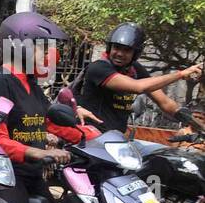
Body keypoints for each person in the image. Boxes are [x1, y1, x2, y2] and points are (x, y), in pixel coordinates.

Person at [0, 12, 99, 203]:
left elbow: (52, 121)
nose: (49, 55)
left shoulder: (30, 85)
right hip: (8, 179)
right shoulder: (0, 82)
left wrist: (98, 139)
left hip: (32, 175)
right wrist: (38, 153)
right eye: (42, 47)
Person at [74, 22, 203, 134]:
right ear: (109, 47)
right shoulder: (99, 68)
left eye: (126, 50)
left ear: (135, 54)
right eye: (116, 48)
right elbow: (138, 87)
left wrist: (197, 125)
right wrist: (180, 74)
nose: (119, 53)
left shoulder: (133, 69)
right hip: (91, 136)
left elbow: (165, 102)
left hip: (115, 139)